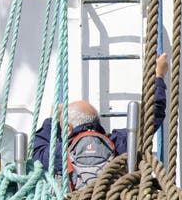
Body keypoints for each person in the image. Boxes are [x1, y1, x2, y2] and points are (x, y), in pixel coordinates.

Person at [32, 53, 168, 173]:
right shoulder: (117, 143)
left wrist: (52, 120)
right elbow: (153, 115)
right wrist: (159, 76)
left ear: (68, 128)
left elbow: (37, 149)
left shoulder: (59, 153)